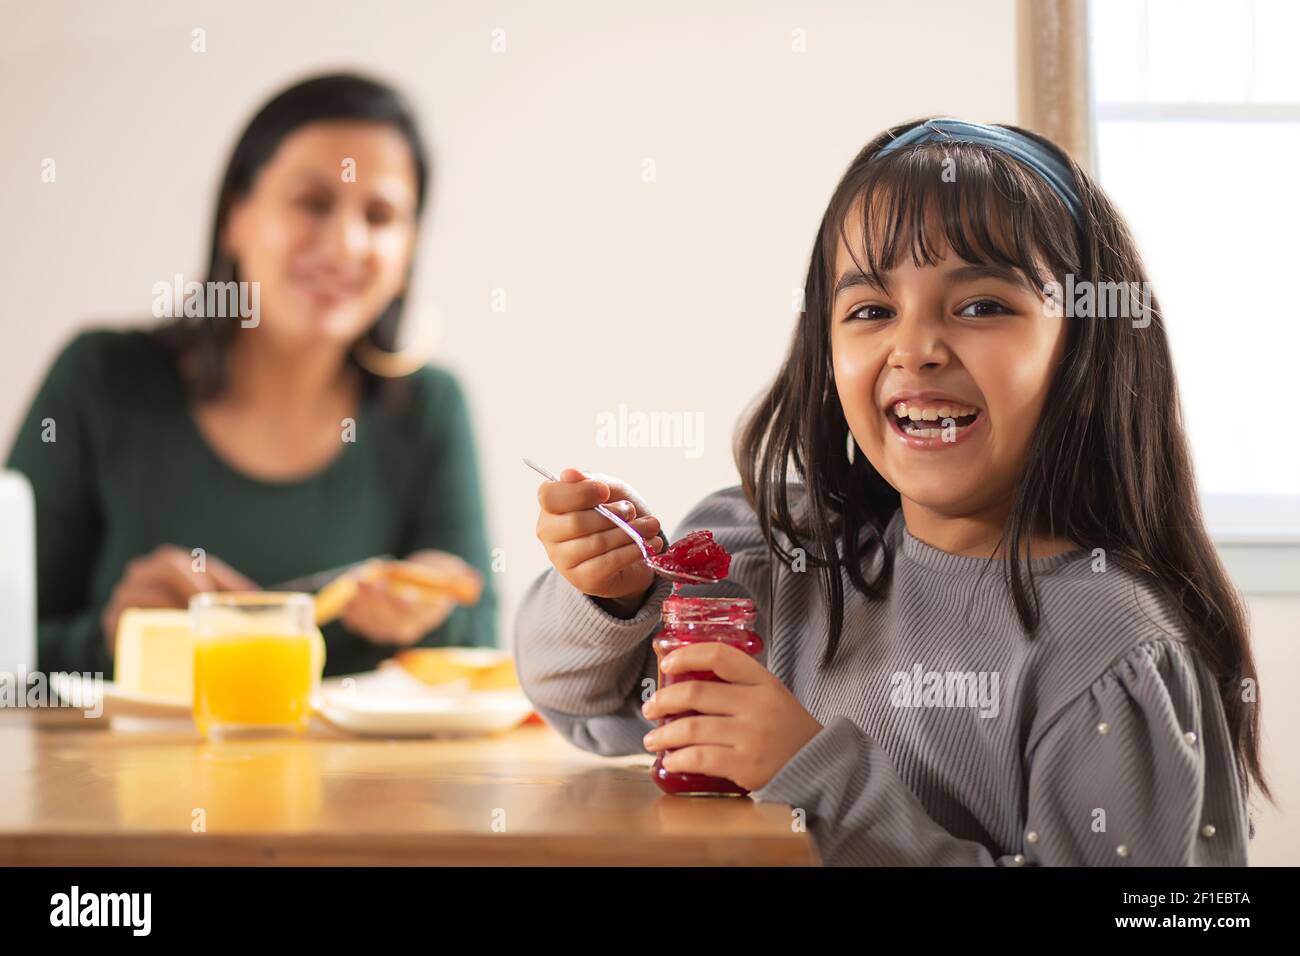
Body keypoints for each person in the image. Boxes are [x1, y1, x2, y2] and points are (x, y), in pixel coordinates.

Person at [514, 118, 1267, 865]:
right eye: (871, 310)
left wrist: (820, 783)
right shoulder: (780, 558)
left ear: (1084, 354)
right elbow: (588, 705)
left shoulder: (1110, 652)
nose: (915, 349)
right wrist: (613, 594)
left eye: (981, 306)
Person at [7, 73, 495, 677]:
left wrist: (435, 614)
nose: (345, 243)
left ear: (408, 251)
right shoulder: (100, 379)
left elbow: (484, 653)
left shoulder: (428, 408)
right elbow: (9, 654)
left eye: (381, 215)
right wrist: (114, 637)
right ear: (236, 215)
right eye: (313, 203)